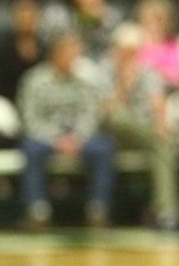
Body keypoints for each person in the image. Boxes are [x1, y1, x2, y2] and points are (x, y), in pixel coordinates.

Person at [16, 30, 115, 229]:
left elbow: (92, 114)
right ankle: (37, 210)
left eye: (76, 53)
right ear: (55, 55)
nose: (73, 58)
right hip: (45, 138)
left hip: (80, 137)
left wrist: (77, 138)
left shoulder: (86, 80)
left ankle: (98, 209)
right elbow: (29, 119)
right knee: (29, 148)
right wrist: (56, 139)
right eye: (69, 52)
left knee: (105, 148)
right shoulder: (34, 80)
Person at [99, 23, 179, 230]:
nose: (129, 57)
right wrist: (124, 87)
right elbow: (105, 112)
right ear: (116, 50)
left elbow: (158, 103)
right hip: (114, 137)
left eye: (133, 52)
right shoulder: (103, 70)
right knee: (118, 118)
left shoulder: (148, 72)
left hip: (145, 136)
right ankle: (166, 211)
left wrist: (161, 124)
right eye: (125, 52)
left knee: (162, 144)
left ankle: (165, 212)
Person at [41, 0, 123, 63]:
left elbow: (113, 44)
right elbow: (52, 42)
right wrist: (85, 18)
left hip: (100, 65)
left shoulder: (109, 14)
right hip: (61, 65)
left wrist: (99, 22)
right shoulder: (56, 12)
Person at [0, 0, 45, 104]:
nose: (26, 18)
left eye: (30, 12)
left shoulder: (48, 50)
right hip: (10, 106)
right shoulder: (3, 51)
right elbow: (0, 88)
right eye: (21, 12)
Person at [135, 0, 179, 88]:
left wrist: (156, 72)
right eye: (150, 18)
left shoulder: (172, 44)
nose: (154, 24)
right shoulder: (134, 39)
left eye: (159, 19)